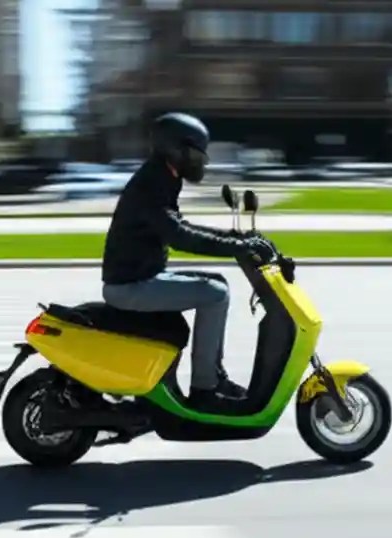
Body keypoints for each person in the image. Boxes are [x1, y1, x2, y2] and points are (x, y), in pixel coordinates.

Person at [101, 112, 274, 409]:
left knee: (217, 283)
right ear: (175, 150)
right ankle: (205, 388)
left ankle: (214, 377)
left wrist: (235, 239)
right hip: (131, 285)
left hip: (141, 276)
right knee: (214, 294)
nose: (201, 162)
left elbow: (181, 226)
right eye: (196, 154)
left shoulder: (163, 177)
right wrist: (237, 247)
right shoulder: (152, 184)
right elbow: (179, 236)